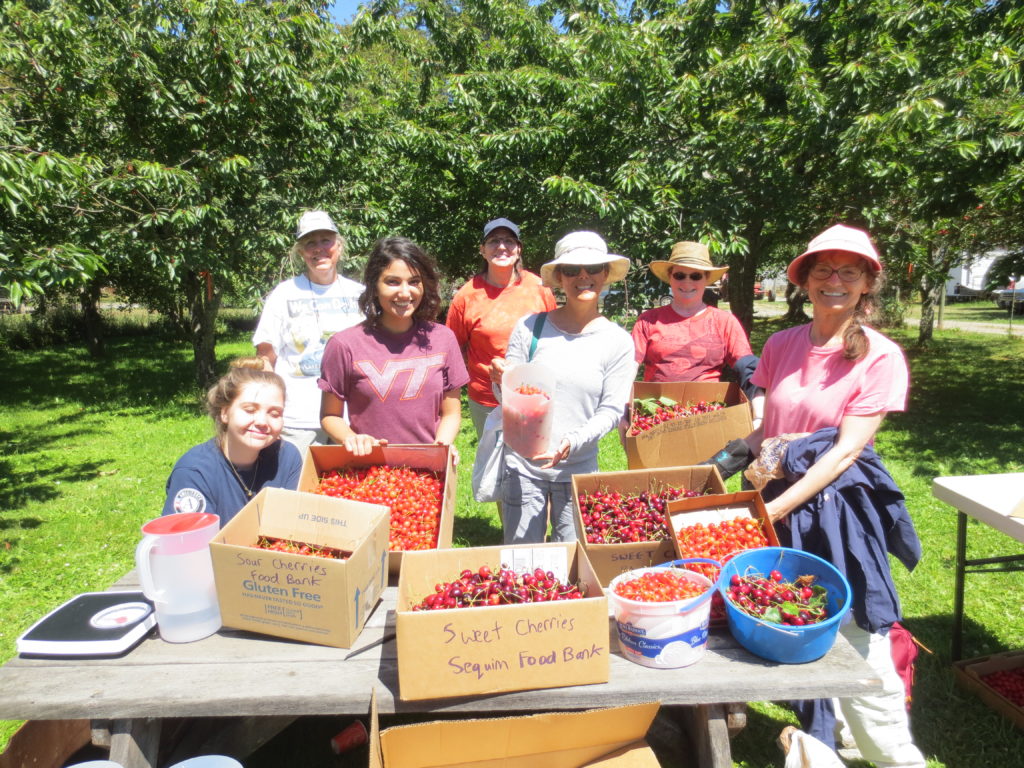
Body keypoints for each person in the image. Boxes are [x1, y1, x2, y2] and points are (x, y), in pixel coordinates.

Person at [744, 224, 925, 767]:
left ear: (868, 282)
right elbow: (768, 429)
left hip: (835, 508)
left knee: (857, 631)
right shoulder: (781, 344)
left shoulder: (879, 355)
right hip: (776, 493)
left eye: (850, 270)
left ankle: (894, 755)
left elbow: (844, 452)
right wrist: (726, 459)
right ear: (805, 280)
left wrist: (774, 508)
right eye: (823, 269)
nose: (835, 280)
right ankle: (825, 734)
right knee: (790, 615)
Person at [491, 231, 636, 543]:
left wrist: (570, 442)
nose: (583, 277)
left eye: (593, 268)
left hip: (577, 469)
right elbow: (510, 398)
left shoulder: (618, 342)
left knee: (570, 564)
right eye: (572, 270)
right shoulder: (531, 328)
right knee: (521, 562)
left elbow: (611, 409)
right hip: (523, 466)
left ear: (605, 274)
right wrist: (500, 380)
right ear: (559, 277)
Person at [318, 236, 469, 456]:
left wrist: (442, 446)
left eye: (414, 281)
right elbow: (329, 416)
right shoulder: (343, 345)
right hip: (371, 472)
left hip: (428, 469)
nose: (405, 293)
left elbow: (451, 413)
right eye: (392, 282)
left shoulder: (443, 338)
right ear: (374, 286)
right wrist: (351, 438)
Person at [253, 210, 364, 450]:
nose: (319, 248)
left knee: (346, 486)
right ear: (301, 252)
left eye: (326, 240)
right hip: (297, 419)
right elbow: (266, 355)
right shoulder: (284, 294)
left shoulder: (360, 295)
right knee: (296, 486)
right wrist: (268, 406)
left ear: (339, 246)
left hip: (350, 421)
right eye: (310, 243)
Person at [446, 217, 557, 435]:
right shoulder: (466, 296)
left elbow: (554, 336)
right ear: (482, 250)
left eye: (509, 241)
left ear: (518, 249)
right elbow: (451, 350)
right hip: (487, 400)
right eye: (493, 241)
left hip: (534, 393)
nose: (502, 247)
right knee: (492, 462)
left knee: (533, 456)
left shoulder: (539, 287)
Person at [163, 358, 302, 526]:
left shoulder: (287, 458)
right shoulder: (194, 472)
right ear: (225, 413)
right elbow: (187, 544)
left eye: (274, 413)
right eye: (250, 410)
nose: (262, 422)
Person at [632, 241, 752, 383]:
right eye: (680, 275)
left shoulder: (725, 321)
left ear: (706, 279)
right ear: (670, 277)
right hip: (655, 403)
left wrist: (757, 395)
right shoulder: (648, 320)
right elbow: (629, 366)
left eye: (695, 276)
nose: (687, 282)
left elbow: (746, 364)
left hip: (706, 404)